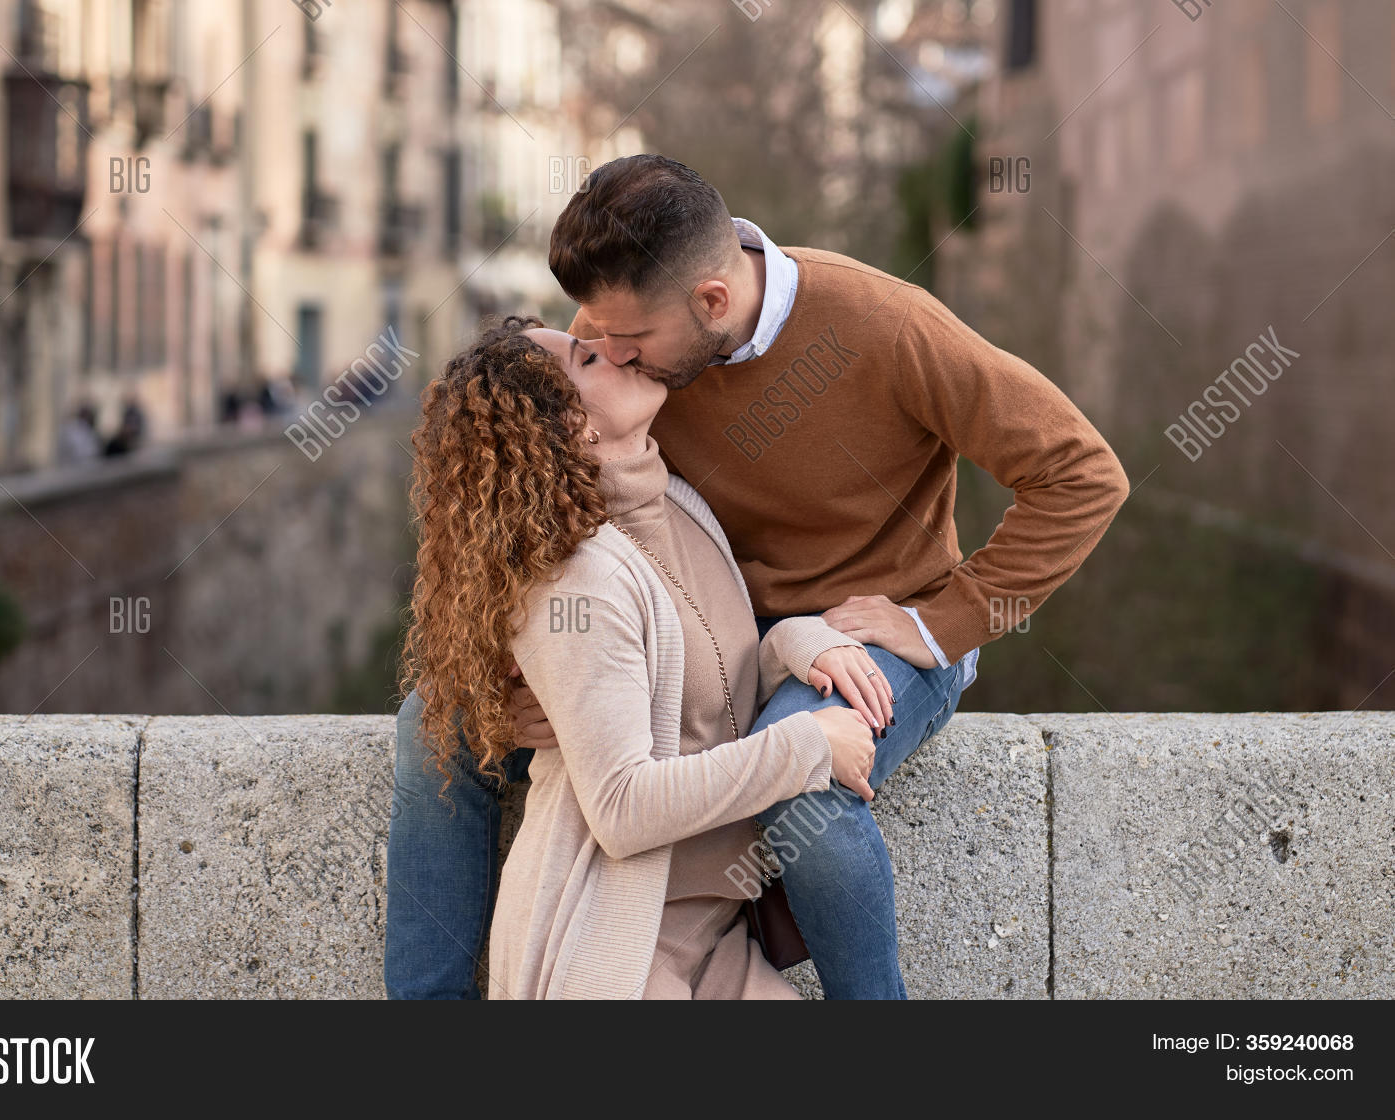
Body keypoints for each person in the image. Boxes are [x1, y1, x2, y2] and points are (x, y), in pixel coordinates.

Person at [385, 154, 1130, 1000]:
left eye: (625, 342)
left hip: (863, 638)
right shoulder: (629, 324)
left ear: (711, 302)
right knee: (438, 719)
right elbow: (526, 480)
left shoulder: (886, 325)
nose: (607, 353)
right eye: (591, 338)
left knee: (804, 789)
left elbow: (1083, 475)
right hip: (702, 659)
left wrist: (941, 620)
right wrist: (524, 663)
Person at [399, 316, 882, 999]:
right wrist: (806, 747)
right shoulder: (577, 579)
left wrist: (796, 641)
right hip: (609, 956)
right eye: (586, 360)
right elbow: (623, 808)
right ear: (573, 429)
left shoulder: (680, 505)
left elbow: (716, 691)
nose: (612, 347)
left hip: (712, 943)